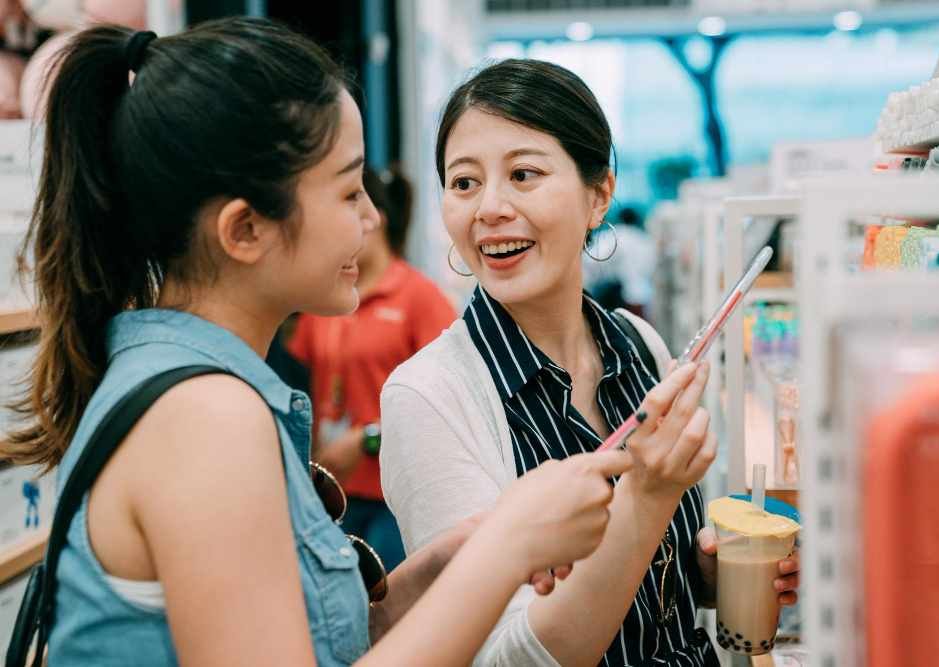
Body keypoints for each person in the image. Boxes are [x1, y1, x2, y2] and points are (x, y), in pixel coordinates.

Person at [2, 22, 635, 666]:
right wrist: (509, 551)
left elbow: (317, 642)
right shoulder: (207, 417)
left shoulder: (203, 388)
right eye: (347, 189)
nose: (371, 218)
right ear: (245, 229)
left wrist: (471, 550)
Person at [380, 59, 800, 667]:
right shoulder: (429, 396)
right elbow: (501, 657)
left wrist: (707, 572)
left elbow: (653, 588)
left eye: (523, 174)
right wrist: (649, 497)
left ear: (599, 194)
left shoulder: (639, 345)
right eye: (464, 182)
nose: (489, 208)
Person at [288, 166, 456, 572]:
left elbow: (445, 404)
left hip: (393, 498)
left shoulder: (419, 298)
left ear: (373, 219)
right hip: (331, 493)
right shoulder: (329, 295)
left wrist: (367, 439)